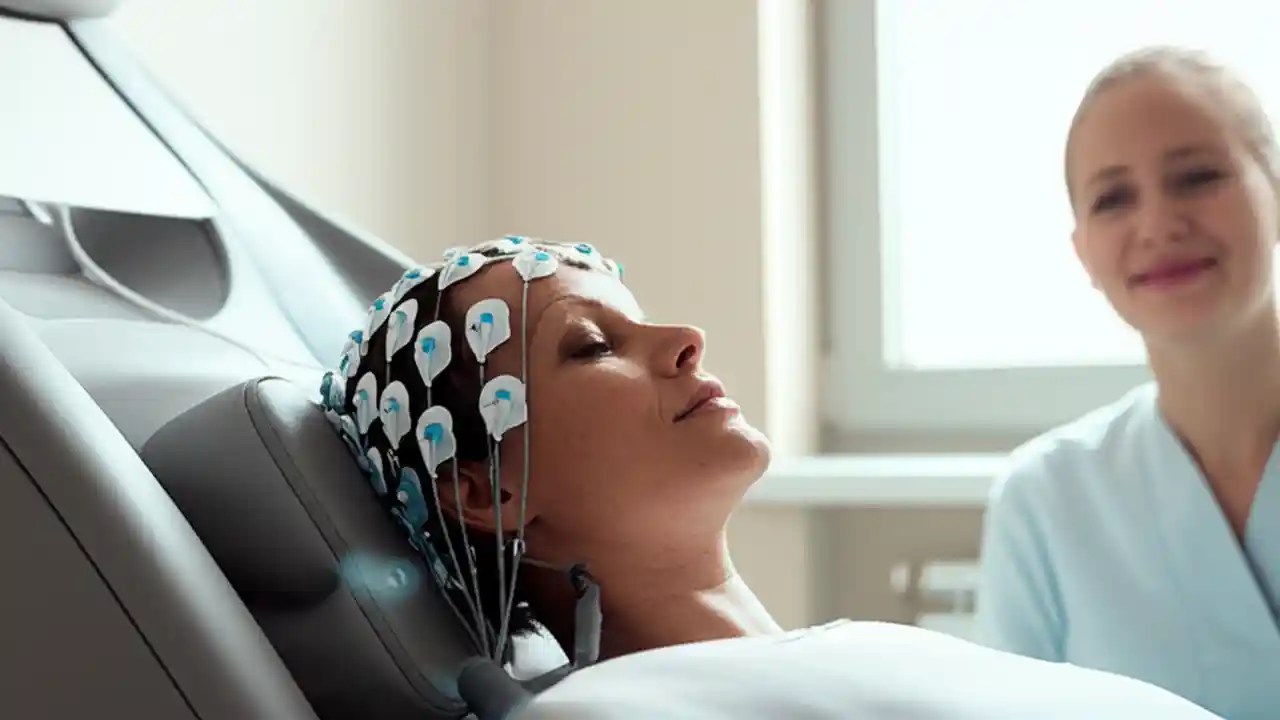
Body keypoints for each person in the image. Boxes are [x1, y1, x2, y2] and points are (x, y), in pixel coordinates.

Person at [324, 237, 1220, 718]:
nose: (686, 339)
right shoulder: (609, 713)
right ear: (486, 492)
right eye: (592, 345)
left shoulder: (858, 650)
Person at [976, 46, 1280, 720]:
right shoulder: (1045, 501)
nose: (1158, 225)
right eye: (1113, 198)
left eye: (1197, 177)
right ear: (1083, 251)